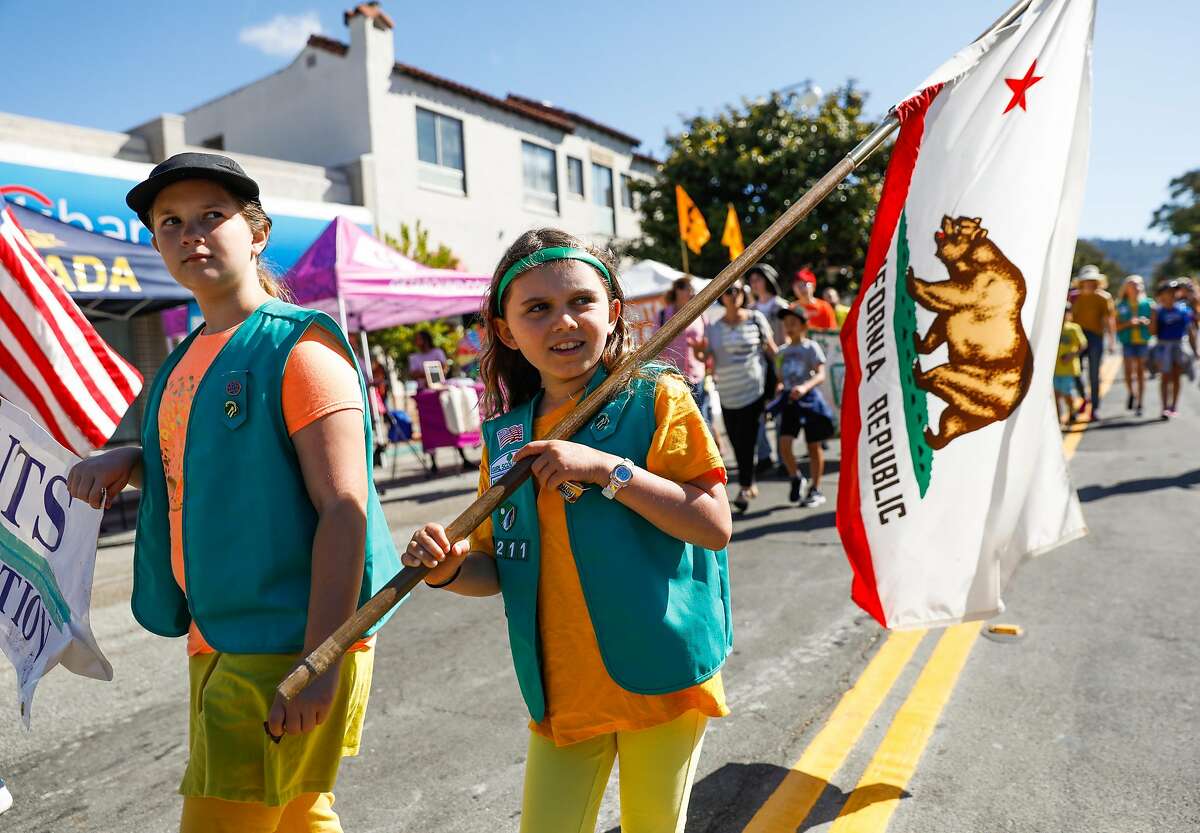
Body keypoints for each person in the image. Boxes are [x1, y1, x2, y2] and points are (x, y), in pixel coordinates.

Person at [66, 153, 400, 832]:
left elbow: (345, 506)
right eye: (171, 223)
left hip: (290, 640)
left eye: (211, 216)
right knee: (300, 815)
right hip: (220, 635)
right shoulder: (182, 360)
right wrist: (134, 458)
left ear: (256, 232)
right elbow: (211, 467)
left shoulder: (298, 346)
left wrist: (321, 658)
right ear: (157, 243)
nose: (191, 233)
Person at [402, 228, 733, 833]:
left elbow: (712, 524)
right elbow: (496, 569)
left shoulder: (655, 396)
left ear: (612, 309)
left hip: (660, 671)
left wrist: (608, 470)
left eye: (581, 301)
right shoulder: (505, 440)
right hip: (561, 686)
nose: (564, 322)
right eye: (537, 308)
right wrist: (447, 568)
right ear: (506, 330)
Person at [702, 279, 779, 513]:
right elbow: (707, 356)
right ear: (722, 298)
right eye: (727, 291)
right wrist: (698, 352)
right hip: (727, 393)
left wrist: (782, 378)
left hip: (753, 391)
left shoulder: (757, 319)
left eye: (737, 290)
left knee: (747, 440)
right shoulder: (713, 328)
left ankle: (745, 487)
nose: (733, 295)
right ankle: (749, 480)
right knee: (735, 439)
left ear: (744, 294)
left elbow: (772, 351)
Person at [775, 308, 835, 507]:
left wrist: (804, 387)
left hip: (809, 401)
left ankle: (815, 487)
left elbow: (821, 374)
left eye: (793, 321)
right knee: (784, 444)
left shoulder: (811, 347)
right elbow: (781, 378)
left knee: (813, 445)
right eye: (786, 322)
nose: (789, 326)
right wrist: (781, 387)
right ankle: (796, 477)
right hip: (790, 402)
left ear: (803, 325)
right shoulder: (781, 352)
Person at [747, 263, 786, 472]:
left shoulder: (780, 306)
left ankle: (783, 457)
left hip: (779, 362)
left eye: (758, 279)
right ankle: (764, 455)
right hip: (757, 367)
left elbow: (785, 336)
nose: (754, 283)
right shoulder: (751, 310)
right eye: (751, 280)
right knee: (758, 412)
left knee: (780, 412)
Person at [1069, 264, 1116, 420]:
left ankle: (1094, 408)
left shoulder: (1104, 298)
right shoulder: (1073, 296)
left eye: (1092, 281)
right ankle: (1084, 397)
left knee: (1094, 374)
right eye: (1086, 281)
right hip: (1077, 337)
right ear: (1081, 282)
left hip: (1096, 337)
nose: (1089, 283)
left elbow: (1108, 320)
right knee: (1075, 371)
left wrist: (1111, 341)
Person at [1151, 280, 1197, 418]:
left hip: (1179, 345)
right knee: (1165, 377)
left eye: (1173, 292)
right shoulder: (1158, 311)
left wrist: (1195, 350)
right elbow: (1153, 332)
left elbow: (1190, 330)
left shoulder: (1183, 310)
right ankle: (1164, 407)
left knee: (1176, 376)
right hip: (1163, 346)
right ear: (1161, 295)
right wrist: (1153, 316)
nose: (1171, 295)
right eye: (1168, 292)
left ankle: (1174, 406)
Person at [1115, 274, 1153, 416]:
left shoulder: (1148, 304)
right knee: (1128, 373)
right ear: (1126, 288)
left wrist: (1146, 322)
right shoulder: (1120, 305)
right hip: (1127, 342)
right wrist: (1129, 323)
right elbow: (1116, 326)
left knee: (1141, 373)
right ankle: (1132, 393)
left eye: (1138, 285)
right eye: (1132, 285)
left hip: (1142, 342)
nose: (1136, 288)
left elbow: (1154, 324)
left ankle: (1140, 402)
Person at [1055, 304, 1087, 426]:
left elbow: (1082, 345)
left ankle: (1071, 412)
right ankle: (1058, 420)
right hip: (1055, 369)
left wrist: (1071, 355)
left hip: (1068, 368)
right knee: (1056, 395)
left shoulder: (1073, 328)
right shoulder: (1053, 328)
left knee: (1067, 394)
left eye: (1066, 312)